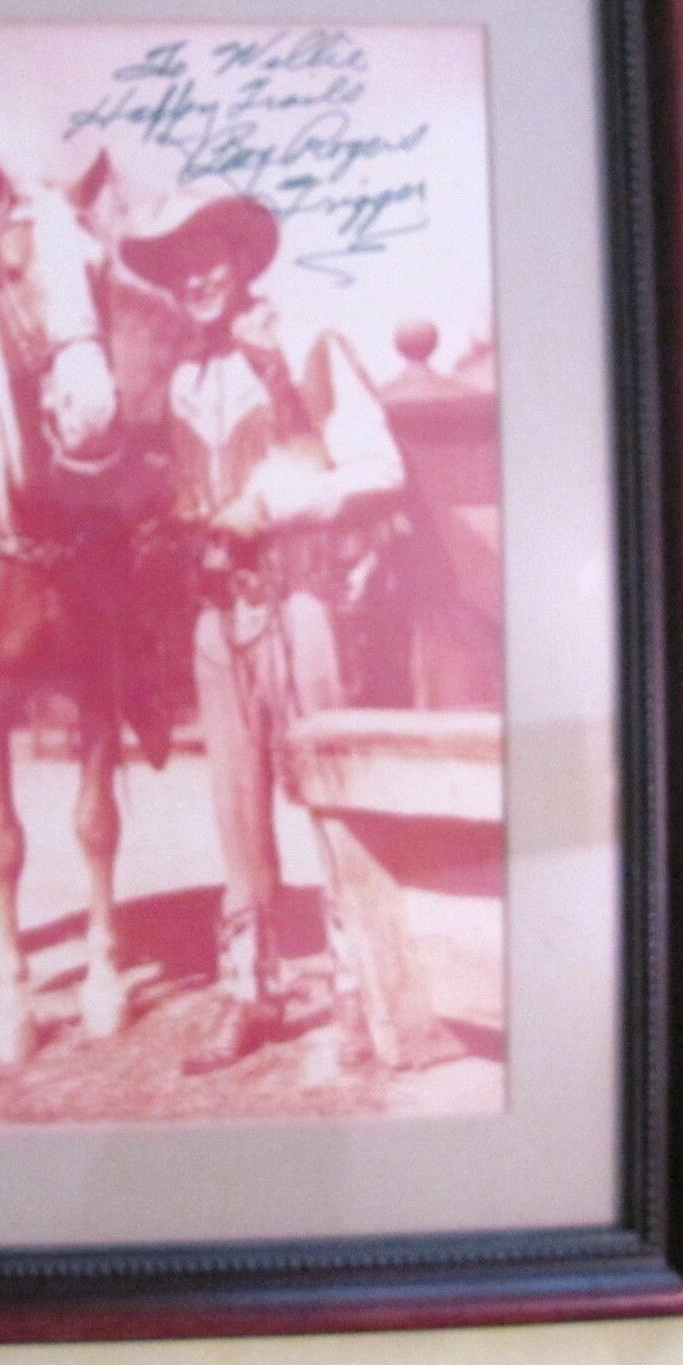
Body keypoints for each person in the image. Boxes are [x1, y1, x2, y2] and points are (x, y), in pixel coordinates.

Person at [119, 196, 407, 1074]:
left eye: (206, 258)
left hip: (300, 598)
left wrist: (271, 503)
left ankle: (364, 989)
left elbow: (380, 471)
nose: (194, 279)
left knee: (326, 790)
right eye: (176, 267)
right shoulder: (177, 381)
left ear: (241, 260)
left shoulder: (308, 347)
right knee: (234, 807)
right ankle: (250, 993)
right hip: (218, 613)